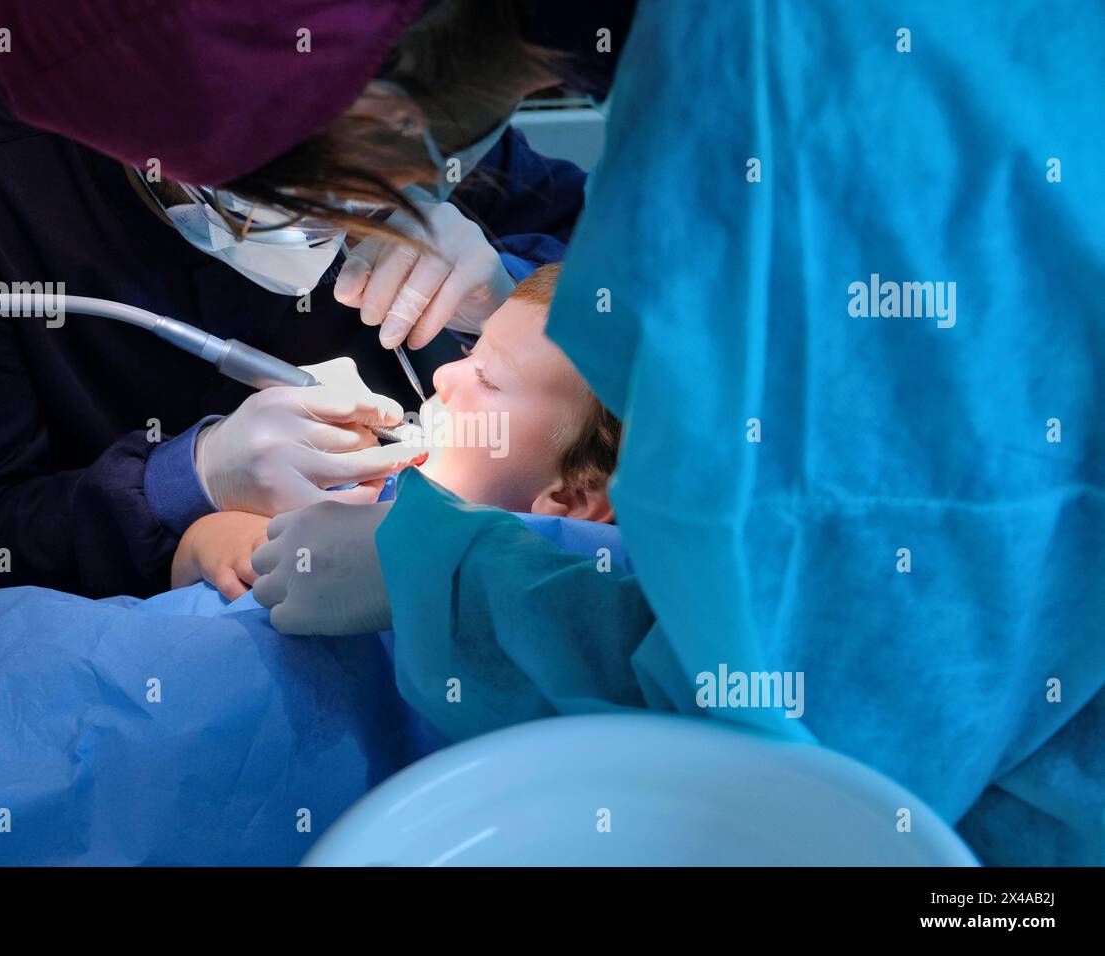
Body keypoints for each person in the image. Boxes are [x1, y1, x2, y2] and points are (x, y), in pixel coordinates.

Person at [249, 0, 1105, 865]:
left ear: (578, 499)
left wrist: (441, 579)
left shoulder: (774, 74)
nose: (443, 376)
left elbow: (817, 717)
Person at [0, 0, 622, 599]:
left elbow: (644, 300)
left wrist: (515, 290)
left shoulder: (390, 83)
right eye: (280, 186)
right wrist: (183, 486)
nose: (445, 382)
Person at [172, 263, 620, 599]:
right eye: (468, 350)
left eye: (488, 380)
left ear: (570, 498)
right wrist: (214, 538)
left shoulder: (537, 611)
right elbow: (179, 592)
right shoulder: (355, 498)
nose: (444, 374)